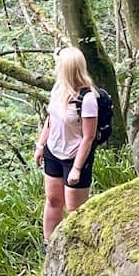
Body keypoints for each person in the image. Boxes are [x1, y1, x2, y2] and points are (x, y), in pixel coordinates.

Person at [34, 46, 99, 237]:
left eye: (59, 64)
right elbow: (50, 119)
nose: (56, 67)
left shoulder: (87, 99)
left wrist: (77, 168)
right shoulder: (58, 89)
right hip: (53, 152)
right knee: (53, 200)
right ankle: (49, 244)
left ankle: (77, 247)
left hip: (75, 156)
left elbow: (89, 136)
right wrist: (40, 145)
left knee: (75, 209)